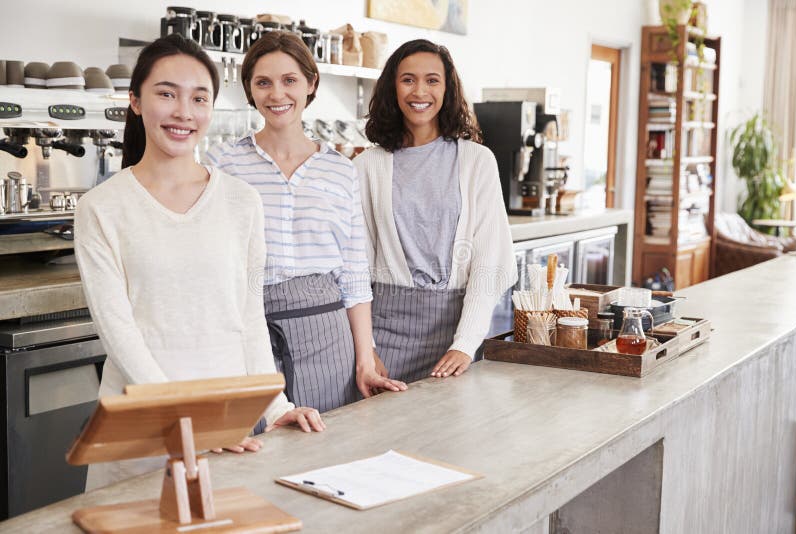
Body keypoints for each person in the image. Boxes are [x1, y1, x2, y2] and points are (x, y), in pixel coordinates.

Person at [74, 34, 322, 490]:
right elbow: (119, 331)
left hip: (226, 425)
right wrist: (186, 418)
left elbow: (247, 318)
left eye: (199, 97)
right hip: (145, 425)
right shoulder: (101, 208)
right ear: (135, 101)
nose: (183, 112)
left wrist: (276, 406)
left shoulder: (241, 201)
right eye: (166, 94)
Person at [205, 31, 406, 412]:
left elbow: (353, 272)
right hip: (250, 331)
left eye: (289, 80)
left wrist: (365, 357)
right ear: (249, 89)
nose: (276, 94)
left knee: (326, 449)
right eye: (263, 83)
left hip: (327, 334)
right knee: (253, 450)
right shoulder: (222, 164)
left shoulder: (340, 170)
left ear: (311, 83)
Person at [353, 39, 517, 384]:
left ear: (447, 88)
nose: (420, 91)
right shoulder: (368, 166)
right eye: (408, 79)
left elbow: (490, 260)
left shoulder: (477, 161)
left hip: (456, 336)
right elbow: (355, 266)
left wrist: (466, 343)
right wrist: (366, 349)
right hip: (384, 338)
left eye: (432, 80)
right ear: (392, 88)